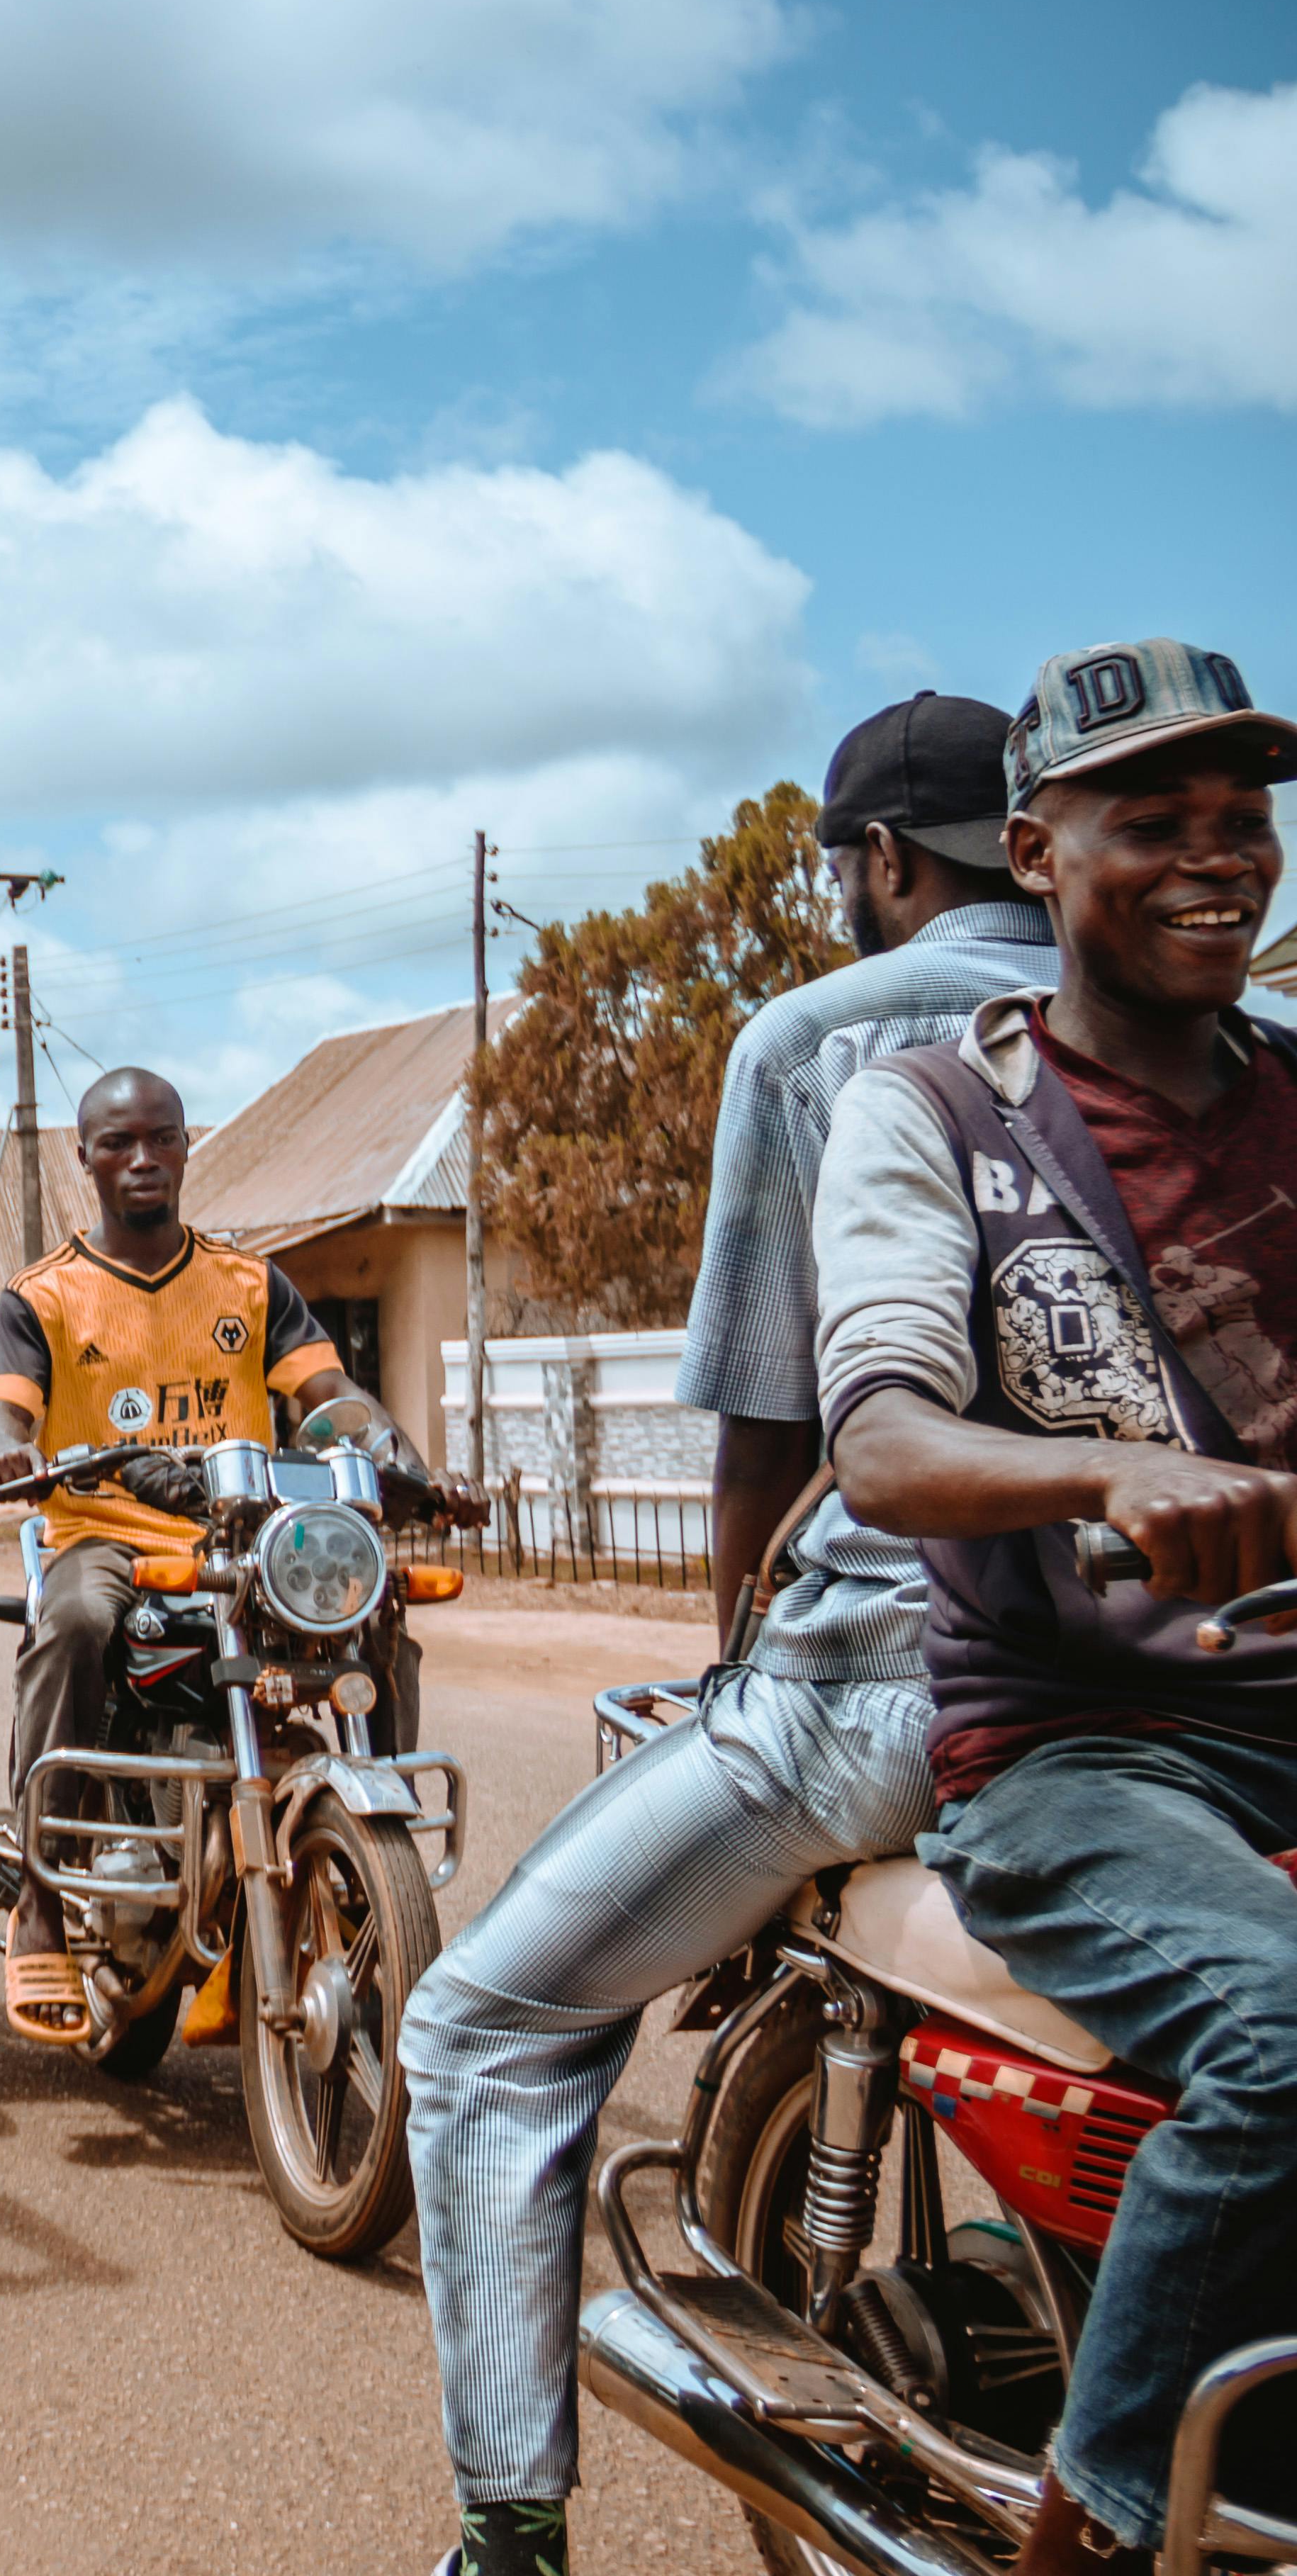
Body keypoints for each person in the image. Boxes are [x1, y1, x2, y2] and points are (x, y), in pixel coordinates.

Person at [397, 691, 1047, 2576]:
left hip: (889, 1684)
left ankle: (510, 2529)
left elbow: (769, 1426)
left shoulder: (824, 1036)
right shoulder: (1234, 1042)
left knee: (481, 2025)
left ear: (879, 861)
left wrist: (741, 1663)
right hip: (1202, 1671)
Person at [816, 637, 1297, 2573]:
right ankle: (1096, 2523)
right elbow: (883, 1441)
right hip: (1083, 1747)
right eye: (1153, 821)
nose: (1217, 858)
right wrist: (1112, 1473)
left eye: (1241, 820)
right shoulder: (939, 1110)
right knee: (1287, 2037)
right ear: (1036, 851)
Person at [0, 1064, 430, 2047]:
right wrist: (5, 1449)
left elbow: (332, 1396)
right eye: (118, 1143)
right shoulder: (43, 1297)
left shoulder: (249, 1285)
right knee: (75, 1620)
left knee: (374, 1601)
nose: (142, 1158)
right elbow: (1, 1412)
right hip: (104, 1535)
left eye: (161, 1138)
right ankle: (40, 1899)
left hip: (244, 1536)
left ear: (187, 1147)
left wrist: (393, 1450)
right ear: (85, 1159)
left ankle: (375, 1844)